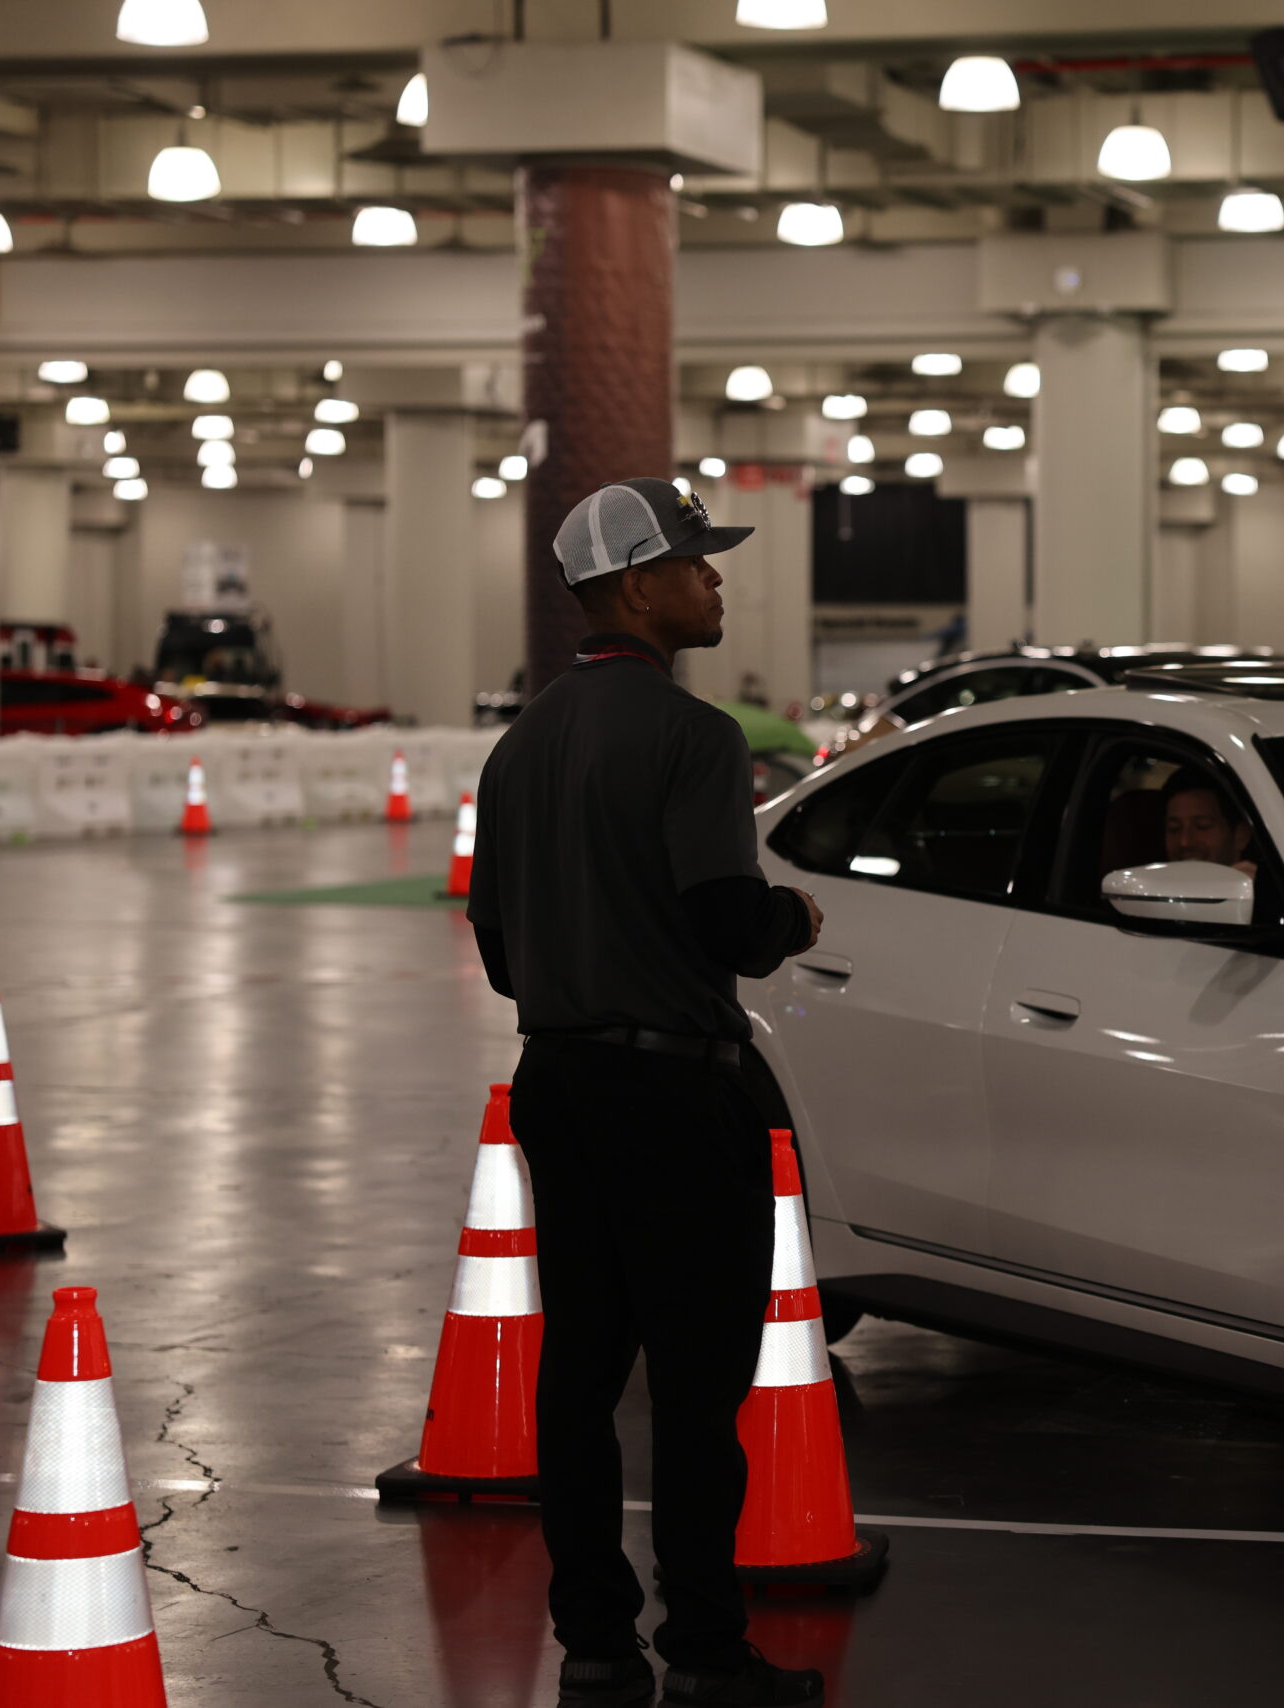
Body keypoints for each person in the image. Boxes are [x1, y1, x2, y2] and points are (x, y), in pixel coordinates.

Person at [467, 477, 826, 1708]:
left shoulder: (516, 751)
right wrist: (794, 913)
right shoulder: (694, 737)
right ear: (634, 585)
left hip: (557, 1086)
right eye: (695, 562)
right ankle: (710, 1650)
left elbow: (501, 952)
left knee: (578, 1374)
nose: (717, 581)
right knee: (692, 1385)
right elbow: (727, 919)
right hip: (675, 1097)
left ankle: (596, 1646)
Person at [1159, 767, 1257, 877]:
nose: (1184, 842)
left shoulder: (1267, 891)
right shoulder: (1150, 887)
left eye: (1202, 826)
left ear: (1241, 835)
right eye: (1174, 828)